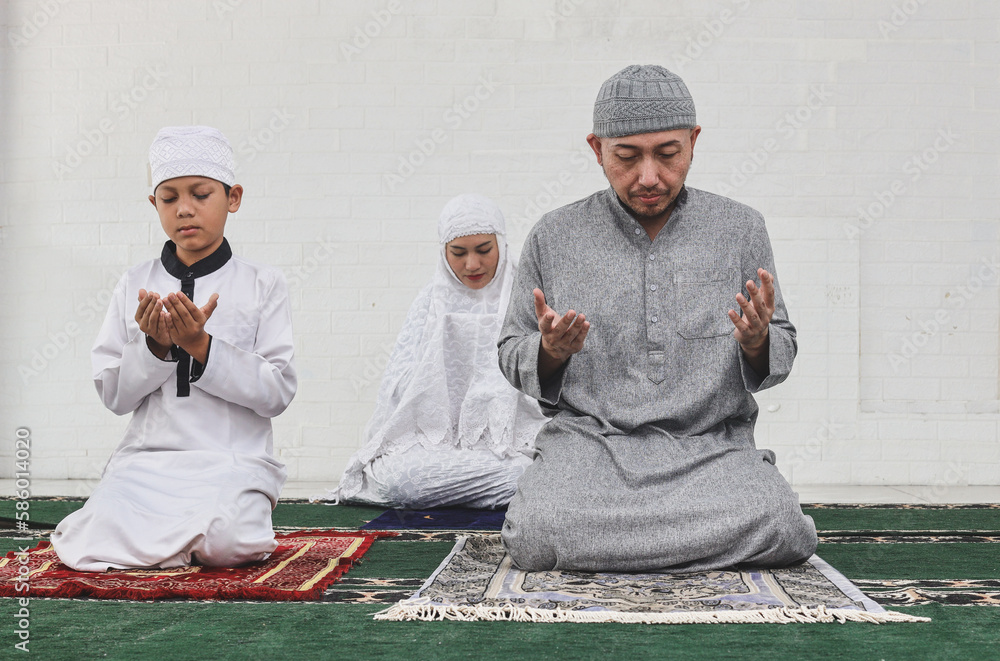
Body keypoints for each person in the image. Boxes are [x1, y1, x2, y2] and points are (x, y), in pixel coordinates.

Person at [497, 65, 818, 572]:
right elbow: (511, 349)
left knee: (782, 523)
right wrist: (549, 352)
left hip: (710, 448)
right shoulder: (553, 236)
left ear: (693, 142)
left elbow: (782, 347)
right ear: (597, 149)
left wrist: (757, 340)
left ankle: (616, 548)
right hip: (591, 447)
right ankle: (694, 545)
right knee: (536, 533)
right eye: (627, 156)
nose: (649, 177)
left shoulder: (739, 229)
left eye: (667, 155)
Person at [51, 126, 296, 571]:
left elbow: (276, 393)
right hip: (150, 461)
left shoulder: (264, 283)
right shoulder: (134, 283)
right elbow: (115, 396)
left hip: (230, 458)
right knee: (89, 535)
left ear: (233, 197)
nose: (185, 209)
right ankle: (172, 541)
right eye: (169, 198)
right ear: (154, 204)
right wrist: (155, 348)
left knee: (226, 543)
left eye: (201, 194)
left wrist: (201, 347)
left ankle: (196, 532)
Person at [326, 194, 548, 509]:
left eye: (484, 250)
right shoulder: (429, 302)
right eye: (458, 253)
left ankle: (486, 491)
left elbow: (548, 385)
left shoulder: (527, 297)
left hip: (511, 448)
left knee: (539, 469)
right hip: (435, 449)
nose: (472, 264)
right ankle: (503, 494)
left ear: (502, 244)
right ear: (444, 253)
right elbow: (397, 390)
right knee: (397, 479)